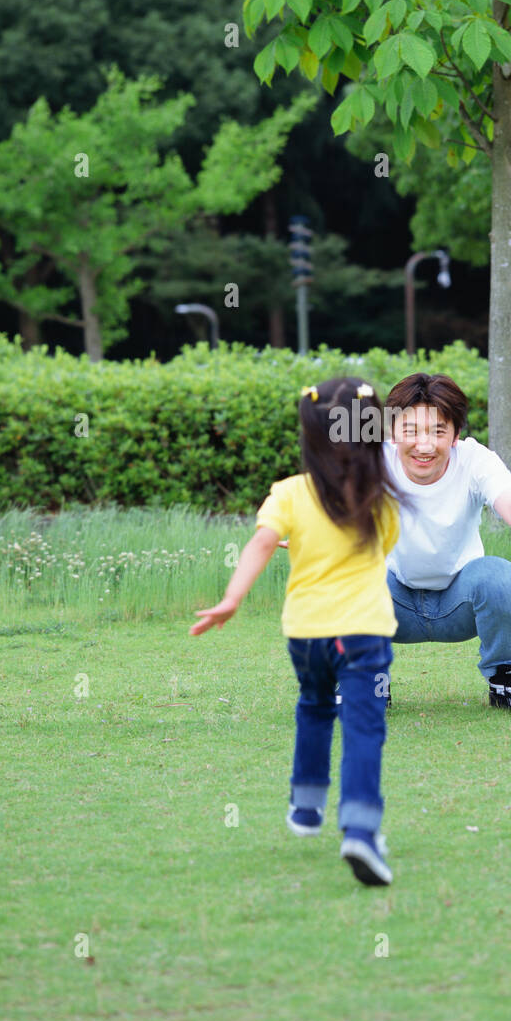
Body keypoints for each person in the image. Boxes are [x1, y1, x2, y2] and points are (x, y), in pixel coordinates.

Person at [190, 377, 402, 887]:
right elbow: (384, 553)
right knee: (363, 728)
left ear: (309, 434)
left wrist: (231, 599)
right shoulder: (383, 499)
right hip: (364, 634)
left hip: (305, 634)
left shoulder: (287, 493)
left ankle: (306, 808)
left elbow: (262, 545)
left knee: (313, 707)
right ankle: (360, 830)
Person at [380, 372, 511, 718]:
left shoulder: (475, 459)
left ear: (456, 434)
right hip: (391, 604)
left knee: (500, 577)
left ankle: (507, 677)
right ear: (392, 432)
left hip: (462, 605)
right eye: (410, 431)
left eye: (438, 431)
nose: (424, 445)